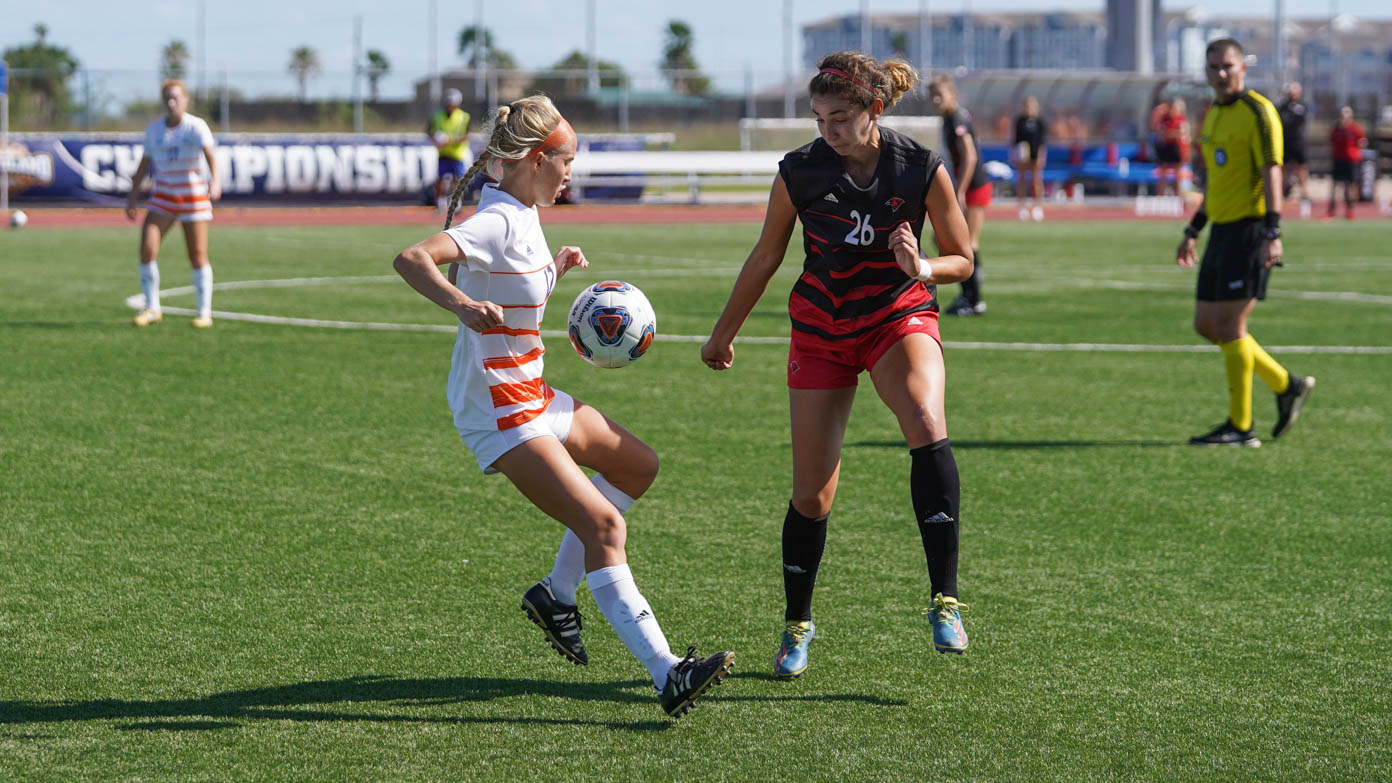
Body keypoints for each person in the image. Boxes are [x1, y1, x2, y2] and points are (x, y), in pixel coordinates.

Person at [391, 95, 733, 719]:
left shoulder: (524, 214)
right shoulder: (494, 220)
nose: (573, 171)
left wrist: (557, 268)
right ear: (539, 159)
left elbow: (513, 277)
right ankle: (667, 675)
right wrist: (462, 307)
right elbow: (412, 259)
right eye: (568, 160)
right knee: (605, 526)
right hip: (500, 409)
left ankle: (556, 594)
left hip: (533, 393)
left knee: (637, 466)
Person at [701, 52, 977, 678]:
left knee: (925, 420)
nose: (828, 130)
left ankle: (946, 600)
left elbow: (963, 257)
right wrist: (723, 333)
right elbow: (766, 254)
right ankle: (798, 624)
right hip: (821, 328)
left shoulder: (919, 168)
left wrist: (924, 267)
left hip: (896, 316)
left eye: (842, 118)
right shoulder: (798, 171)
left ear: (875, 110)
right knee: (811, 492)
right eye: (820, 118)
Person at [1176, 38, 1315, 447]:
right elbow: (1216, 183)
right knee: (1207, 325)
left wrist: (1274, 231)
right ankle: (1284, 384)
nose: (1221, 73)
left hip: (1251, 230)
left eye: (1228, 65)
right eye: (1214, 66)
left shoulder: (1259, 111)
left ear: (1243, 68)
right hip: (1220, 230)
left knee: (1232, 325)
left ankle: (1241, 428)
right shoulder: (1214, 115)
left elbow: (1272, 172)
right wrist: (1193, 229)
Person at [125, 79, 221, 328]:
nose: (171, 102)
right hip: (163, 198)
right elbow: (144, 166)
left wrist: (215, 181)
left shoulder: (196, 126)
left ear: (185, 100)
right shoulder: (154, 130)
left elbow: (212, 156)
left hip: (193, 198)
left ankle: (204, 312)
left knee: (197, 254)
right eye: (167, 97)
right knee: (147, 249)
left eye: (176, 97)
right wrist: (133, 197)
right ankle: (152, 308)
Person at [929, 74, 989, 316]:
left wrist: (960, 191)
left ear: (952, 96)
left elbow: (970, 156)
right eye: (932, 96)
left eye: (940, 95)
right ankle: (969, 296)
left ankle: (973, 300)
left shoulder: (957, 117)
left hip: (975, 186)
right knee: (943, 239)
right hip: (968, 186)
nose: (935, 100)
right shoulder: (947, 119)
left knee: (968, 243)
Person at [429, 88, 471, 215]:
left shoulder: (463, 117)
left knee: (457, 180)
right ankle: (440, 204)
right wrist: (436, 139)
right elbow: (429, 131)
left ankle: (456, 204)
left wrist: (451, 141)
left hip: (457, 153)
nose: (450, 107)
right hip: (442, 153)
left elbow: (466, 135)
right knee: (441, 179)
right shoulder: (437, 116)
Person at [1277, 82, 1312, 218]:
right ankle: (1281, 197)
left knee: (1301, 170)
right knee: (1283, 169)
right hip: (1285, 143)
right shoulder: (1282, 106)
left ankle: (1305, 198)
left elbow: (1299, 120)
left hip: (1297, 143)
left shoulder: (1301, 106)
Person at [1327, 105, 1367, 221]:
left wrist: (1358, 147)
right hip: (1338, 159)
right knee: (1335, 184)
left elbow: (1362, 141)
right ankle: (1331, 210)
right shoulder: (1336, 129)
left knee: (1351, 185)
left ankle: (1350, 210)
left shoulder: (1355, 128)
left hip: (1351, 160)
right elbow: (1331, 140)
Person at [1013, 95, 1047, 221]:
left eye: (1032, 106)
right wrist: (1016, 154)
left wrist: (1040, 155)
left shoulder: (1040, 121)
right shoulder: (1020, 121)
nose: (1029, 108)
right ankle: (1022, 207)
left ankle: (1038, 207)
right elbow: (1016, 140)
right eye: (1027, 106)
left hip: (1035, 153)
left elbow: (1042, 141)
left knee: (1036, 180)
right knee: (1021, 180)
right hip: (1022, 154)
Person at [1155, 98, 1191, 197]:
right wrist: (1172, 134)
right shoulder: (1164, 119)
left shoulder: (1181, 119)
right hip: (1166, 147)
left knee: (1178, 172)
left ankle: (1178, 194)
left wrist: (1170, 134)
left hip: (1176, 147)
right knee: (1163, 170)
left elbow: (1183, 133)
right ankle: (1160, 194)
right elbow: (1161, 133)